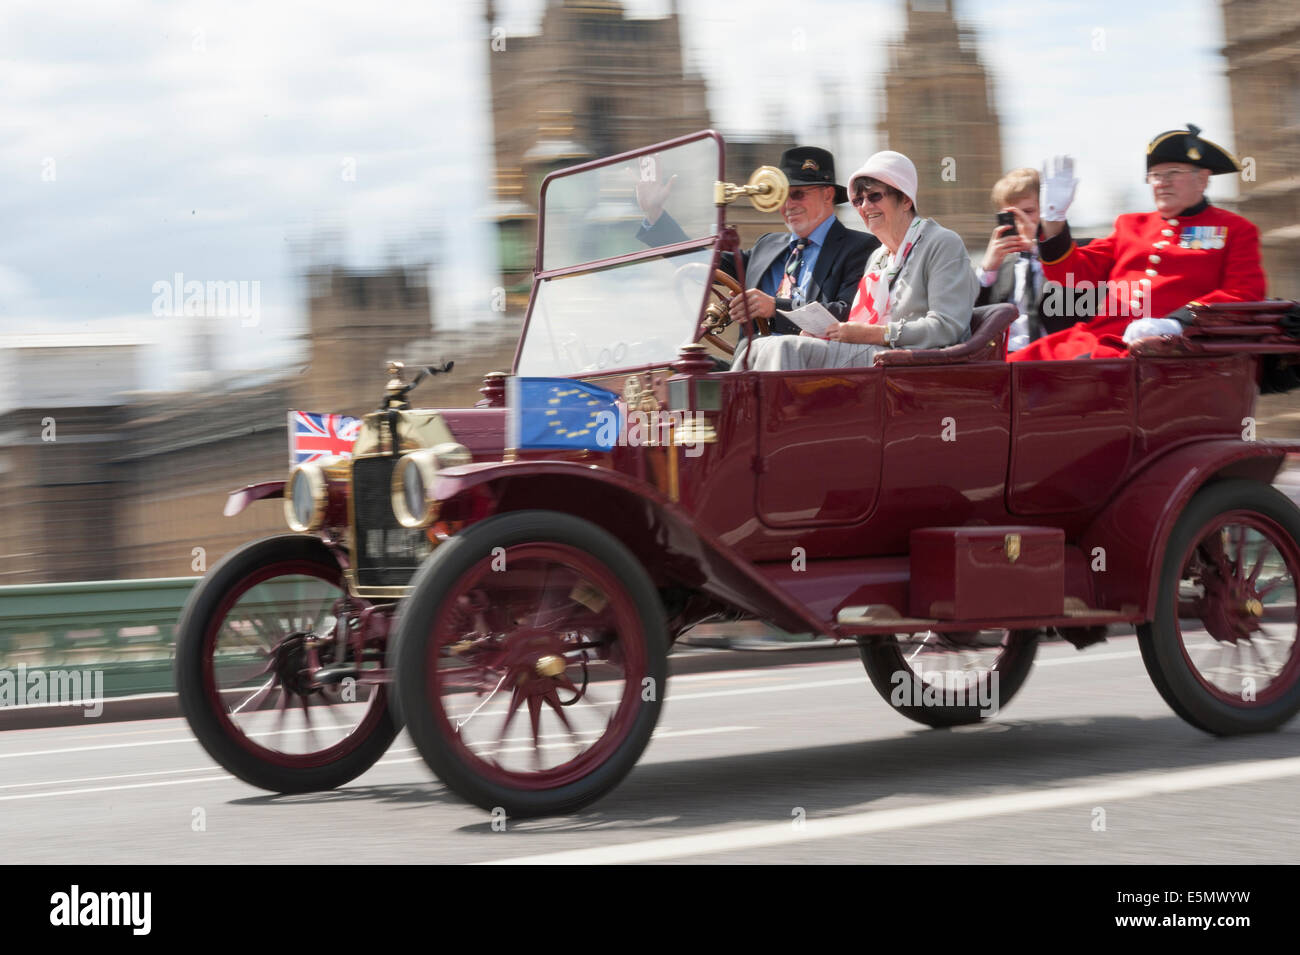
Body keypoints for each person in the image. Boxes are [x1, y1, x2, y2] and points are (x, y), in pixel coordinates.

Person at [1009, 124, 1267, 361]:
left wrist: (1178, 322)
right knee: (1003, 369)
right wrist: (1054, 219)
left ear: (1202, 179)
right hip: (1097, 338)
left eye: (1173, 173)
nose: (1161, 183)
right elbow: (1072, 275)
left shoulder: (1234, 229)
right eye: (1154, 175)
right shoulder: (1131, 225)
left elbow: (1242, 294)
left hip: (1169, 347)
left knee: (1065, 377)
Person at [731, 150, 976, 370]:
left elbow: (947, 327)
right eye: (858, 201)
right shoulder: (879, 257)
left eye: (875, 197)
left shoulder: (941, 243)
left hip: (914, 364)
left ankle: (776, 420)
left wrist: (877, 335)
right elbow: (859, 323)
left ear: (905, 199)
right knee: (755, 346)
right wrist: (825, 334)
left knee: (783, 348)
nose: (865, 206)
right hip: (877, 356)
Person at [636, 146, 877, 335]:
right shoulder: (768, 246)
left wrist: (776, 308)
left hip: (812, 373)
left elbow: (849, 314)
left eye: (798, 195)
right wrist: (655, 215)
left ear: (827, 195)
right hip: (752, 368)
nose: (788, 205)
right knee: (675, 369)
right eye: (782, 196)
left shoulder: (861, 248)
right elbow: (703, 263)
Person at [975, 168, 1068, 352]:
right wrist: (987, 269)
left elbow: (1074, 298)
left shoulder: (1071, 253)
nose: (1021, 221)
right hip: (1007, 358)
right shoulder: (1002, 266)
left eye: (1028, 211)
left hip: (1056, 357)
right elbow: (972, 319)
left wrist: (1039, 248)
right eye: (1010, 216)